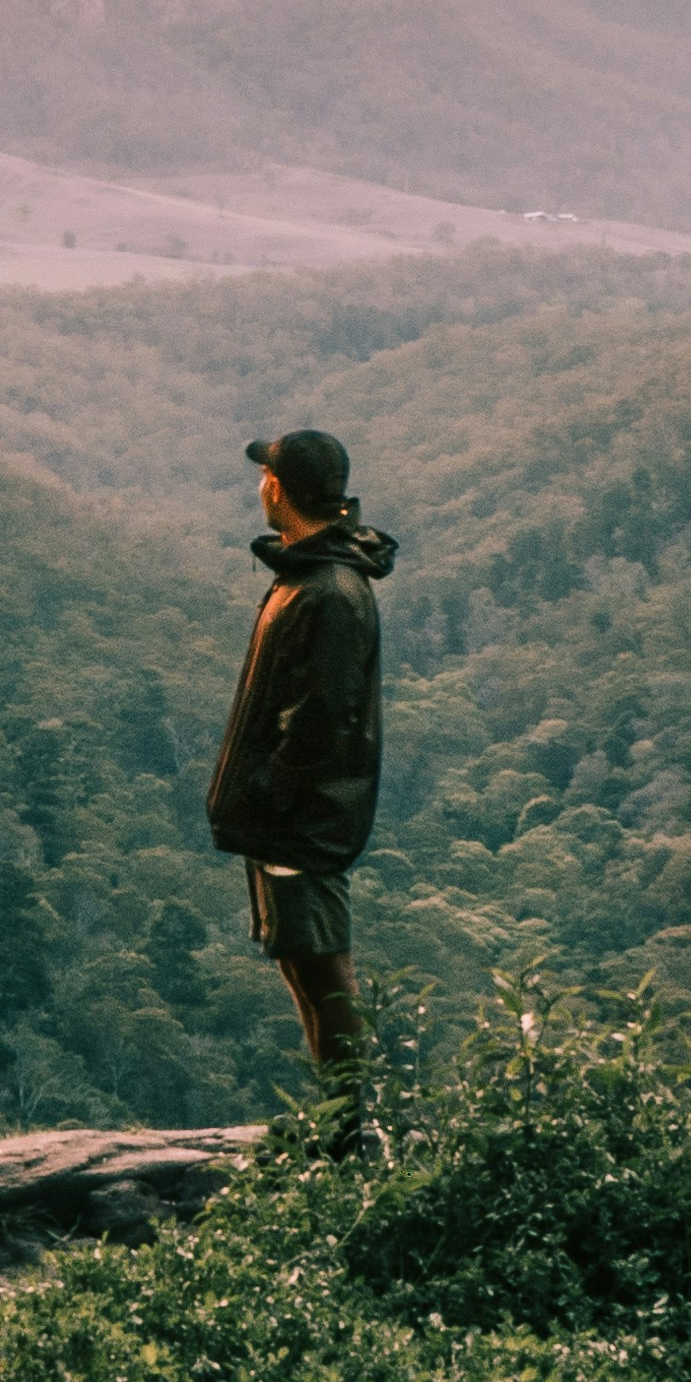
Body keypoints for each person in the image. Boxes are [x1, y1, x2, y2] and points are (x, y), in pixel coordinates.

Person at [206, 425, 393, 1104]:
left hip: (303, 820)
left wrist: (270, 793)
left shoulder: (329, 592)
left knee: (323, 971)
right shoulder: (310, 577)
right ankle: (338, 1123)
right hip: (286, 819)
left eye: (266, 476)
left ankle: (350, 1128)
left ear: (278, 487)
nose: (260, 485)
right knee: (300, 964)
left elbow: (317, 722)